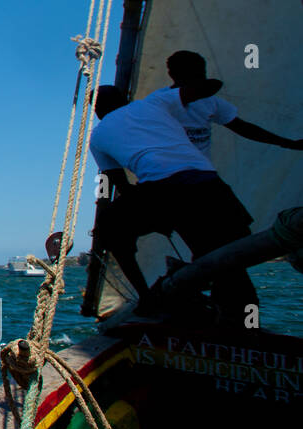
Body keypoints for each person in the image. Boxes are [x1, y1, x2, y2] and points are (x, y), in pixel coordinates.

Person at [89, 84, 256, 321]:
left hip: (164, 189)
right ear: (126, 99)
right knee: (226, 258)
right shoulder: (154, 103)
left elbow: (121, 186)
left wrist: (152, 215)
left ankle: (146, 297)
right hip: (212, 187)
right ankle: (246, 323)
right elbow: (205, 87)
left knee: (110, 230)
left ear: (94, 110)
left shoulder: (98, 136)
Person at [147, 51, 303, 157]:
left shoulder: (209, 101)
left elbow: (243, 128)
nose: (200, 80)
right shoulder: (158, 102)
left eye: (201, 74)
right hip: (167, 175)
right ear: (172, 75)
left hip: (200, 172)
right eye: (194, 76)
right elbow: (213, 85)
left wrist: (288, 143)